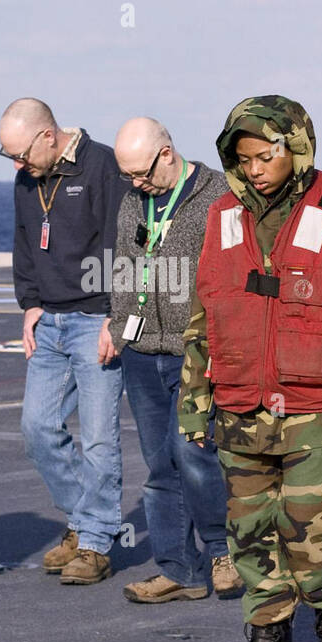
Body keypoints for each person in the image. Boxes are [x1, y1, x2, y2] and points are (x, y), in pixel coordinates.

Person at [178, 96, 322, 642]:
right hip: (236, 397)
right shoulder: (223, 215)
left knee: (310, 524)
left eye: (266, 155)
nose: (254, 168)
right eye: (244, 158)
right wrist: (194, 396)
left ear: (296, 148)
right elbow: (206, 308)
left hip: (313, 401)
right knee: (252, 530)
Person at [108, 117, 242, 604]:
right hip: (142, 353)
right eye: (127, 176)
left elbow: (234, 270)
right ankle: (178, 571)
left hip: (196, 350)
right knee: (159, 465)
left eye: (141, 174)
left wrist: (219, 343)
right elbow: (123, 266)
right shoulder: (131, 200)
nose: (136, 184)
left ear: (167, 153)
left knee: (195, 454)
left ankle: (222, 553)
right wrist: (120, 330)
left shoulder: (218, 194)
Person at [0, 98, 128, 585]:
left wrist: (116, 316)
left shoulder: (102, 166)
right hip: (48, 322)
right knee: (37, 430)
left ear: (48, 136)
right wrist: (29, 302)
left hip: (94, 318)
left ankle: (94, 543)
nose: (17, 164)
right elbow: (24, 240)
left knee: (98, 438)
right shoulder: (26, 177)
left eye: (21, 153)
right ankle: (83, 519)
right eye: (7, 155)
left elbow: (121, 241)